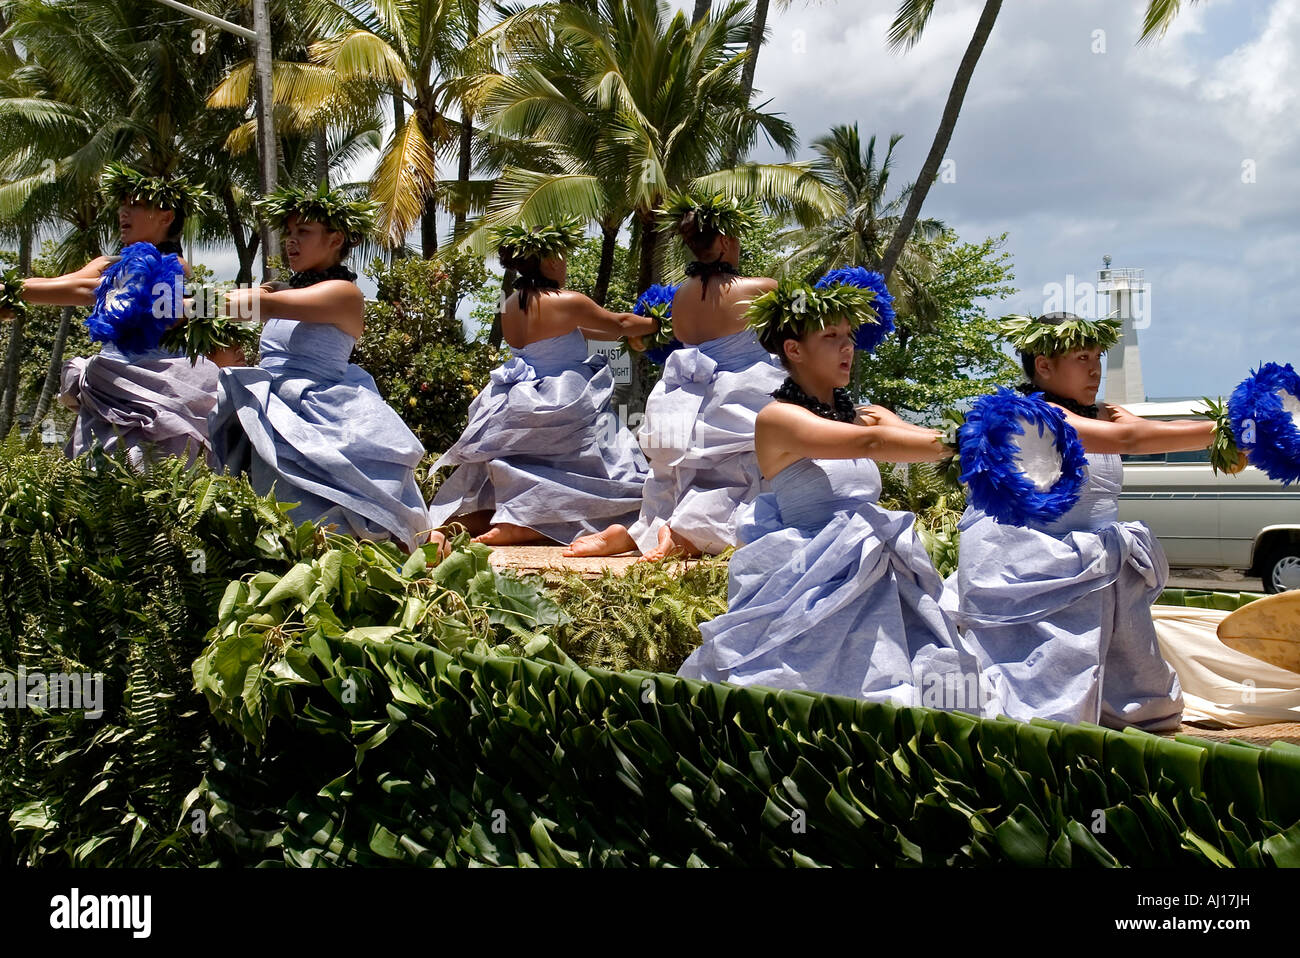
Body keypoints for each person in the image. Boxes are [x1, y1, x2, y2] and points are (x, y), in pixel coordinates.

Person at [678, 279, 981, 708]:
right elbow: (869, 445)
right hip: (811, 579)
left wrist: (993, 441)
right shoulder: (777, 419)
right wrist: (973, 440)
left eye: (850, 336)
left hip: (875, 572)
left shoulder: (866, 415)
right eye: (831, 336)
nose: (847, 348)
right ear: (793, 350)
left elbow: (923, 440)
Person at [953, 312, 1243, 730]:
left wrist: (1234, 440)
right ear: (1044, 366)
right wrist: (1228, 429)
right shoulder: (1029, 416)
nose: (1095, 369)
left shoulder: (1102, 412)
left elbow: (1147, 429)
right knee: (1049, 695)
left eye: (1098, 358)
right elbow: (1131, 440)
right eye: (1082, 357)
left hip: (1102, 563)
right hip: (1044, 568)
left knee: (1140, 697)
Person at [206, 183, 433, 553]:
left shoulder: (343, 294)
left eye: (304, 232)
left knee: (315, 520)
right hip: (269, 411)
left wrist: (171, 304)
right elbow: (255, 302)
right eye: (289, 233)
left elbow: (258, 306)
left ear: (335, 239)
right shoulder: (280, 290)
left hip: (316, 412)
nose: (291, 241)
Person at [566, 191, 784, 560]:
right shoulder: (761, 289)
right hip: (743, 396)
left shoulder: (679, 298)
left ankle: (643, 530)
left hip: (686, 402)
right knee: (745, 478)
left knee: (684, 476)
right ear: (728, 241)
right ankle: (685, 536)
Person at [427, 219, 658, 546]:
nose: (565, 263)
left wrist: (631, 335)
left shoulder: (510, 305)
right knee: (599, 462)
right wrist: (660, 322)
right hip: (565, 397)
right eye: (562, 256)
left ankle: (474, 525)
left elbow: (588, 332)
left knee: (523, 472)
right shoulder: (566, 301)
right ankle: (548, 522)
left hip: (518, 399)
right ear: (549, 260)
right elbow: (618, 323)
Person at [6, 164, 220, 467]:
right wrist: (10, 291)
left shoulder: (176, 266)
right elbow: (62, 284)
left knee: (142, 476)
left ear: (167, 217)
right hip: (109, 385)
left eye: (136, 205)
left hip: (155, 387)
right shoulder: (108, 262)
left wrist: (17, 292)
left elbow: (86, 290)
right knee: (95, 478)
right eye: (122, 205)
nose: (123, 213)